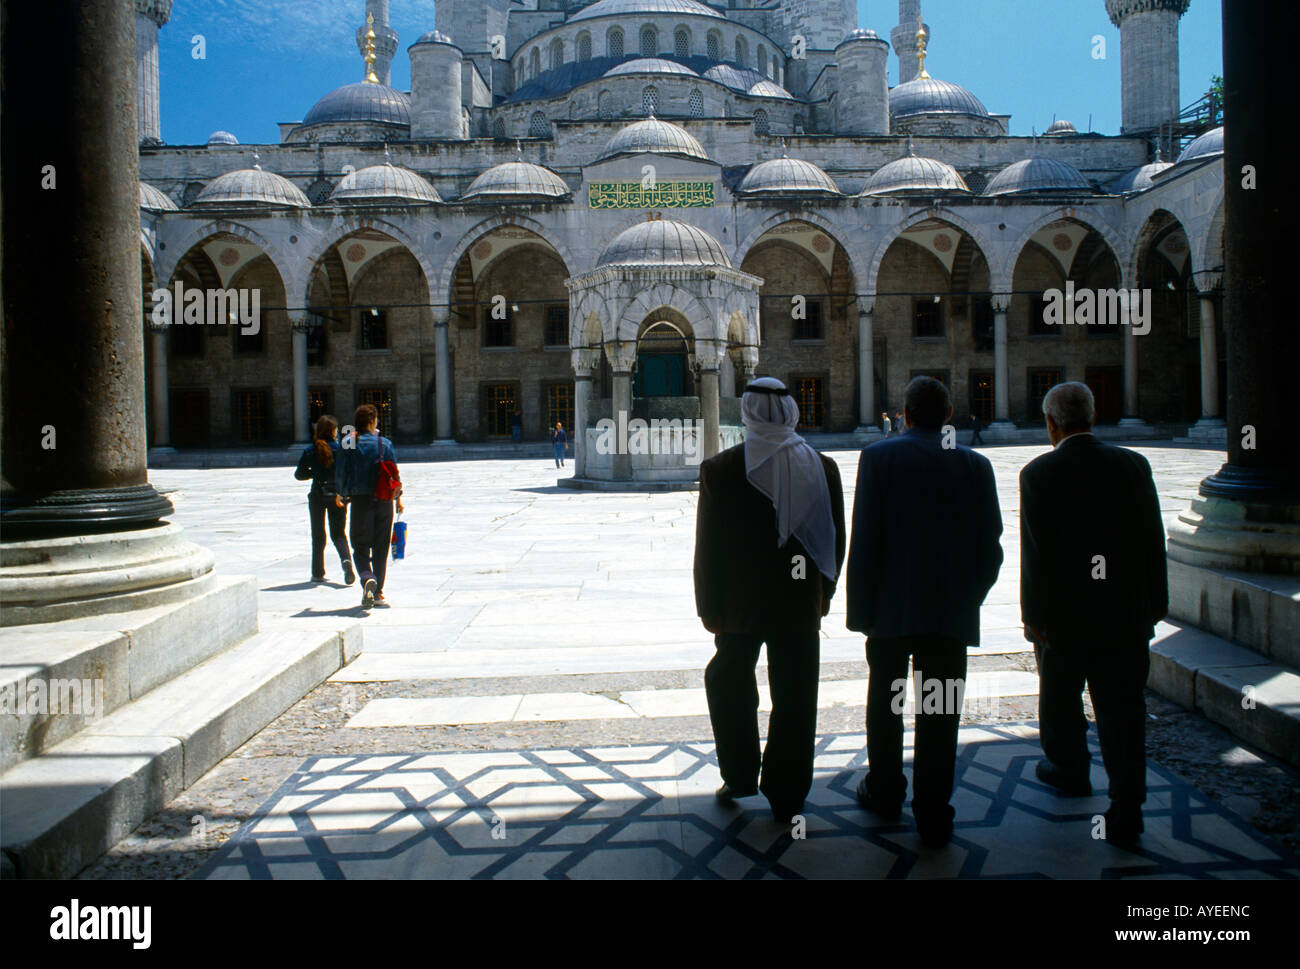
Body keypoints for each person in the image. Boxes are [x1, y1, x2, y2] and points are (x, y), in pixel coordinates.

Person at [846, 376, 1003, 847]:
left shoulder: (877, 457)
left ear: (906, 413)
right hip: (949, 617)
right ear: (950, 414)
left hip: (891, 614)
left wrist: (862, 612)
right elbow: (990, 549)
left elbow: (865, 539)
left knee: (887, 705)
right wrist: (967, 598)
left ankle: (887, 790)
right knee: (940, 712)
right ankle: (934, 811)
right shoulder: (976, 465)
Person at [1020, 382, 1167, 848]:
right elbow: (1152, 542)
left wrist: (1033, 616)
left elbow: (1035, 554)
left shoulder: (1039, 472)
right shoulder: (1133, 464)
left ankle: (1070, 770)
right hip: (1124, 615)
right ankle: (1127, 807)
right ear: (1093, 414)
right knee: (1124, 710)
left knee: (1061, 699)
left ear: (1050, 423)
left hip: (1065, 618)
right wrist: (1155, 605)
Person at [694, 378, 847, 824]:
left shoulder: (722, 468)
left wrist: (709, 606)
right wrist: (825, 592)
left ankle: (740, 774)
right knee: (796, 694)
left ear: (747, 413)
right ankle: (787, 791)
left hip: (739, 607)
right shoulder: (822, 466)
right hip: (798, 602)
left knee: (729, 681)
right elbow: (834, 538)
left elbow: (709, 547)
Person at [335, 405, 404, 609]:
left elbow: (341, 470)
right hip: (384, 501)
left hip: (361, 501)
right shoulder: (385, 444)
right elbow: (394, 475)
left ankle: (367, 578)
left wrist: (342, 492)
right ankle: (379, 592)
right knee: (381, 546)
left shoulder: (349, 442)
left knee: (360, 545)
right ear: (373, 421)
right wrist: (398, 498)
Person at [294, 414, 354, 586]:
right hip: (338, 495)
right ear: (334, 431)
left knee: (318, 535)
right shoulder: (341, 449)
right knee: (339, 534)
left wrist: (315, 473)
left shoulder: (310, 450)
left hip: (317, 495)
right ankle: (345, 561)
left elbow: (299, 474)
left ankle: (318, 573)